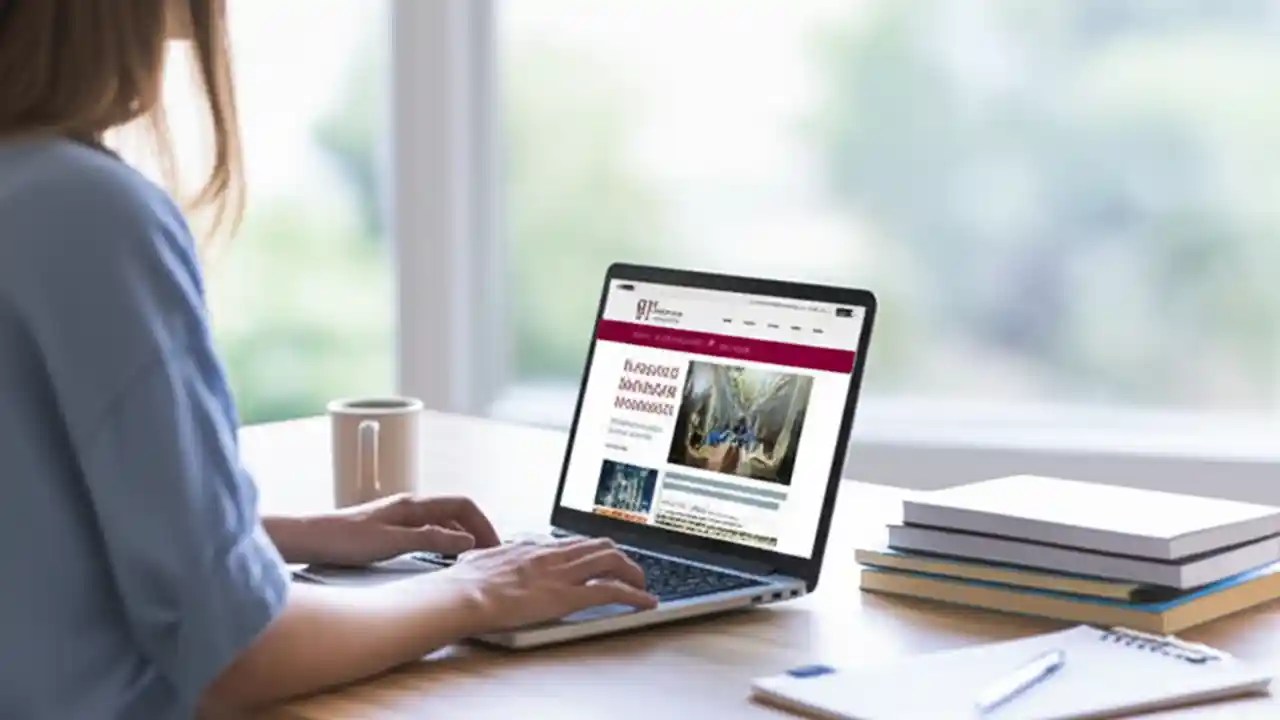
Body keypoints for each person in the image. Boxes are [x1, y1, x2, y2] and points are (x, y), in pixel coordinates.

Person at [0, 2, 656, 717]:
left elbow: (35, 529)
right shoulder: (87, 214)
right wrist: (478, 589)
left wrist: (277, 537)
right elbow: (240, 655)